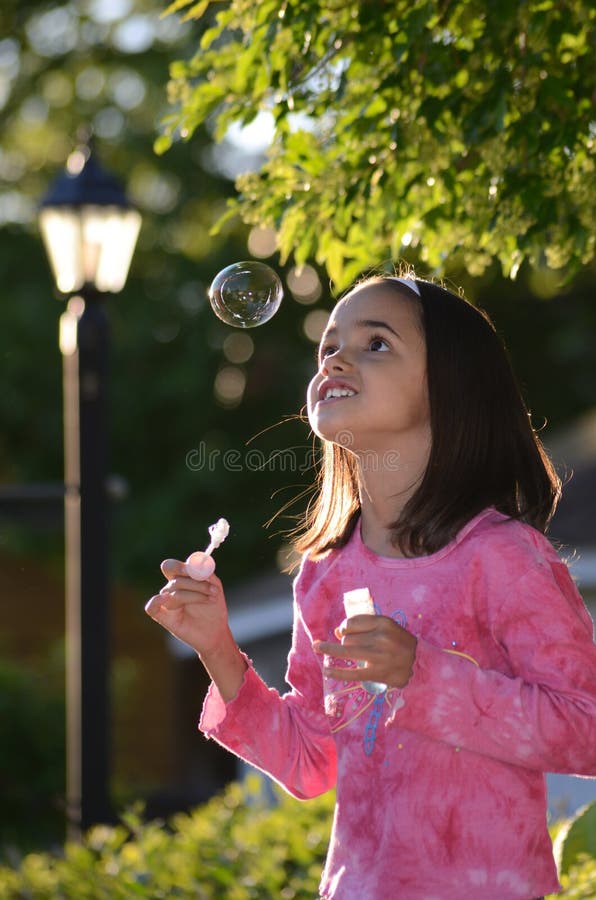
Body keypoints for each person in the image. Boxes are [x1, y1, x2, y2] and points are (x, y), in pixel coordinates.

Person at [145, 273, 596, 899]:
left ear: (450, 388)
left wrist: (424, 674)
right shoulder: (327, 573)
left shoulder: (503, 558)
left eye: (376, 343)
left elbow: (587, 728)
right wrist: (216, 647)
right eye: (329, 345)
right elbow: (312, 763)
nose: (336, 357)